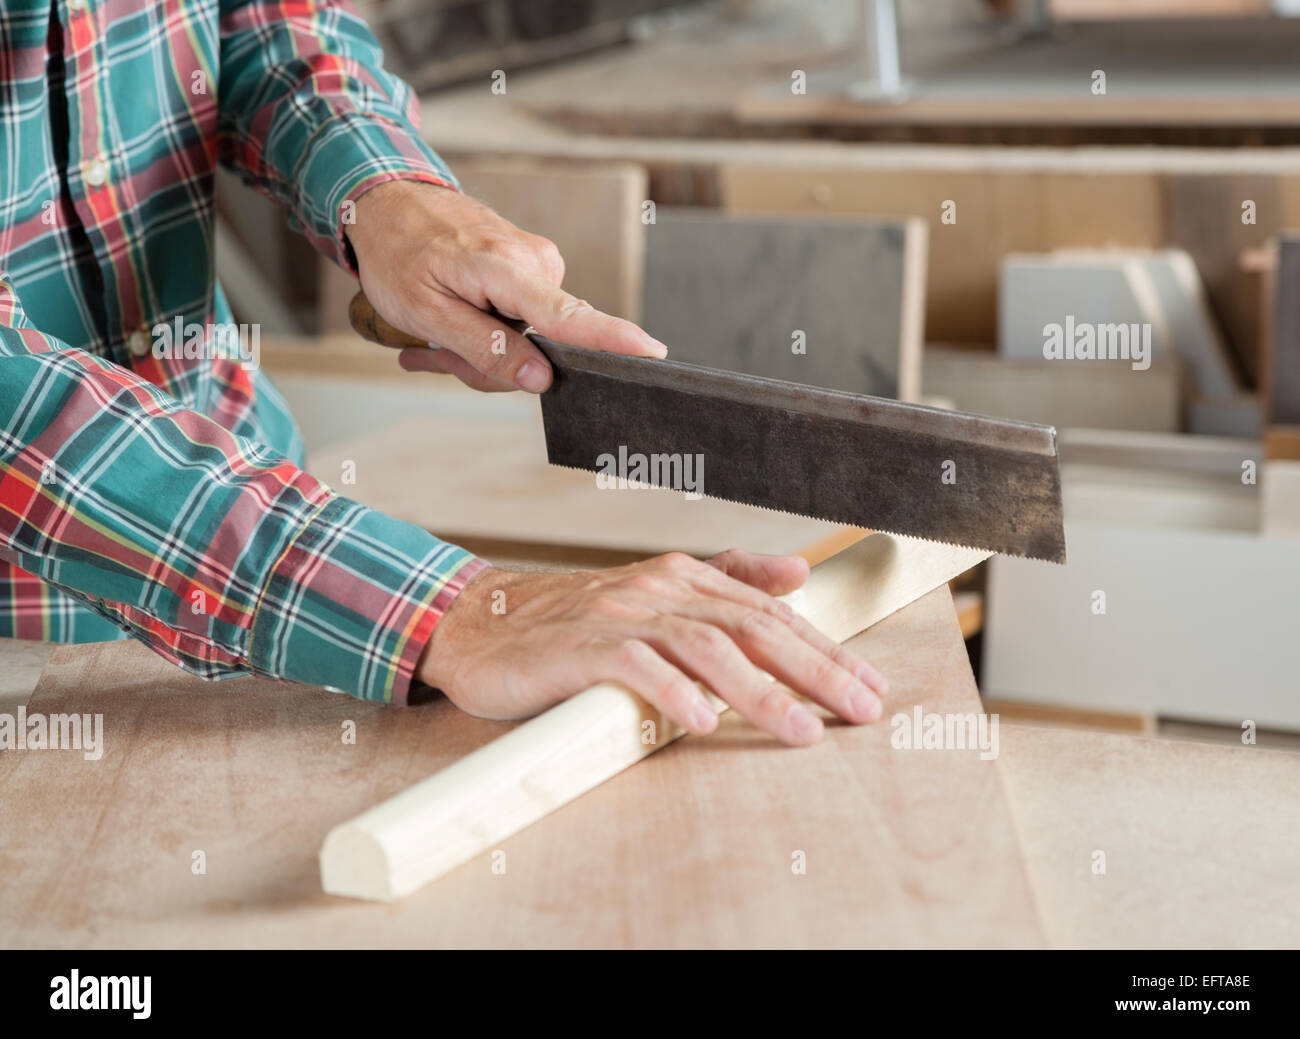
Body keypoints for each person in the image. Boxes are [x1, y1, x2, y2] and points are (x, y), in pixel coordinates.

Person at [0, 0, 886, 746]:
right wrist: (457, 613)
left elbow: (260, 26)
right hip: (29, 663)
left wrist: (381, 193)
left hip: (263, 549)